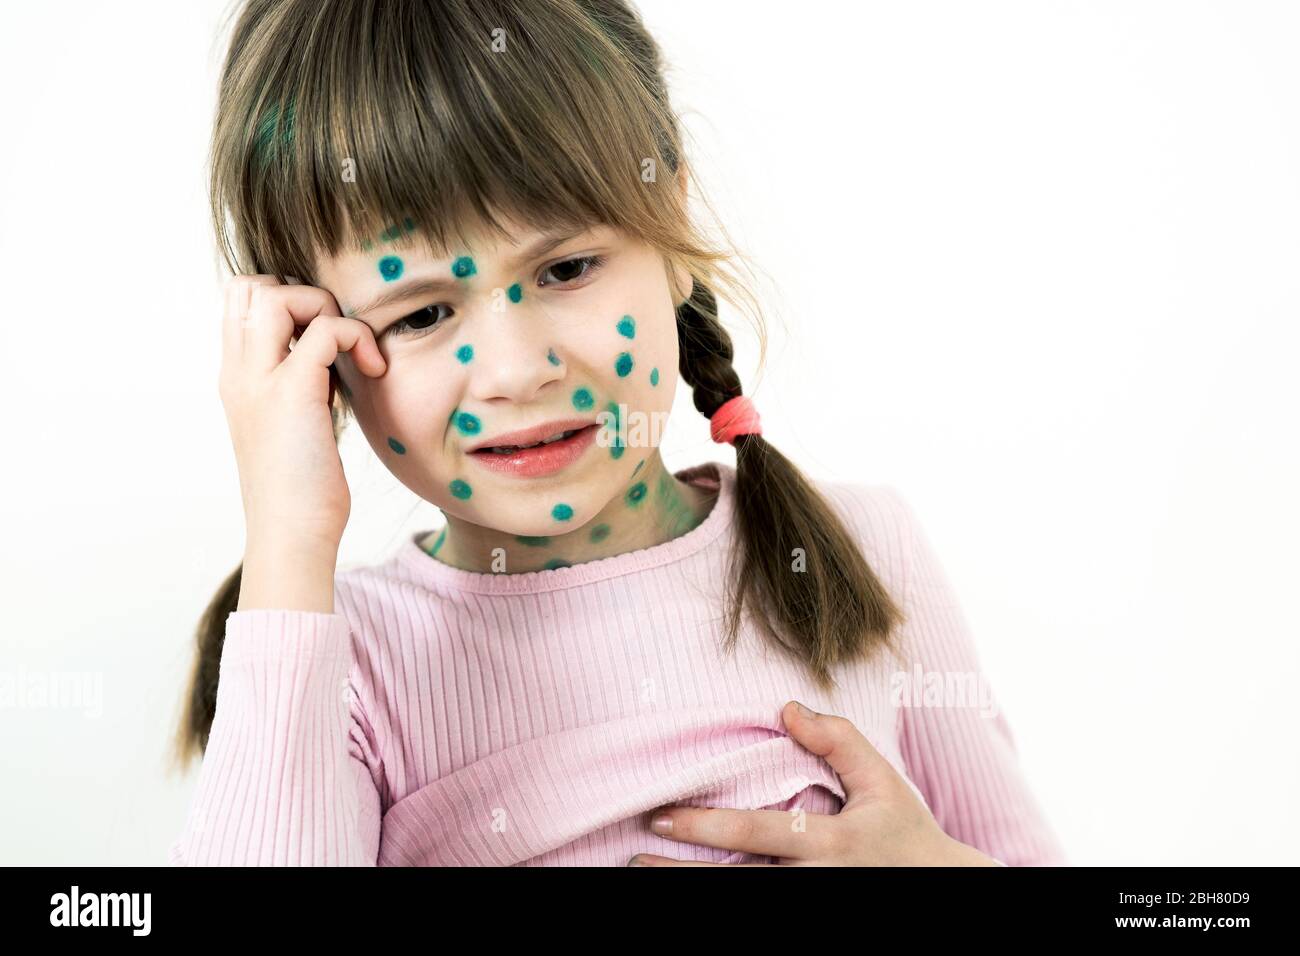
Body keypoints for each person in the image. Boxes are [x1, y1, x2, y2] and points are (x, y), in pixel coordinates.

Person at [169, 0, 1066, 867]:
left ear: (671, 223)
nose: (519, 369)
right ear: (311, 345)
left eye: (566, 267)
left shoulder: (867, 549)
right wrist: (286, 544)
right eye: (422, 313)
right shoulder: (348, 662)